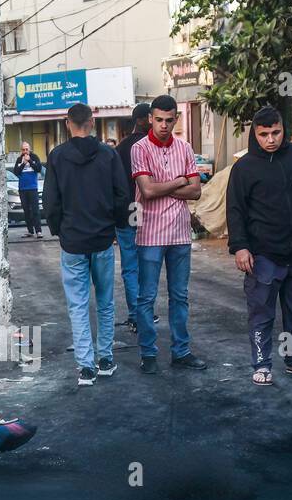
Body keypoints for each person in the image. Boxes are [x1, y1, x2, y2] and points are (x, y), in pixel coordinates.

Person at [227, 106, 292, 385]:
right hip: (263, 256)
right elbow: (235, 211)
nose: (270, 139)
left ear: (284, 131)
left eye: (276, 132)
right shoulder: (244, 168)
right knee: (262, 313)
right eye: (264, 134)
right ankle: (261, 365)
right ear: (255, 134)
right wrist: (240, 247)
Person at [43, 102, 131, 386]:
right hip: (103, 239)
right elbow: (122, 195)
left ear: (68, 123)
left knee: (77, 305)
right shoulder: (109, 155)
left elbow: (51, 202)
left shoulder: (56, 157)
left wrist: (60, 231)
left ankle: (85, 368)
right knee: (105, 302)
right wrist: (116, 227)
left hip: (73, 243)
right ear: (92, 122)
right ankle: (105, 359)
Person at [129, 95, 206, 374]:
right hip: (149, 234)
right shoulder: (139, 149)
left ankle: (181, 351)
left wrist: (164, 186)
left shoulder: (185, 148)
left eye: (169, 120)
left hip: (180, 235)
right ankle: (148, 353)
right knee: (146, 297)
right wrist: (178, 183)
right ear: (150, 118)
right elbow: (146, 192)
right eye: (158, 119)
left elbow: (196, 191)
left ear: (176, 119)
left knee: (180, 296)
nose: (163, 125)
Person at [113, 102, 155, 334]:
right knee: (147, 263)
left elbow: (114, 186)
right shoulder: (149, 146)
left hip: (127, 211)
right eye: (150, 118)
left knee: (130, 265)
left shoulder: (120, 149)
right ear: (142, 120)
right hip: (147, 210)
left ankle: (135, 315)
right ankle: (144, 312)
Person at [11, 143, 45, 238]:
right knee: (26, 211)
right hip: (22, 189)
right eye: (23, 150)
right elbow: (16, 172)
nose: (25, 151)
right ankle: (30, 231)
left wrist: (29, 161)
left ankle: (38, 231)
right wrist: (23, 164)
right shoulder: (19, 159)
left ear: (30, 149)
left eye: (26, 149)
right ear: (21, 150)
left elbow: (38, 169)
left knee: (35, 210)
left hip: (32, 188)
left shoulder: (34, 157)